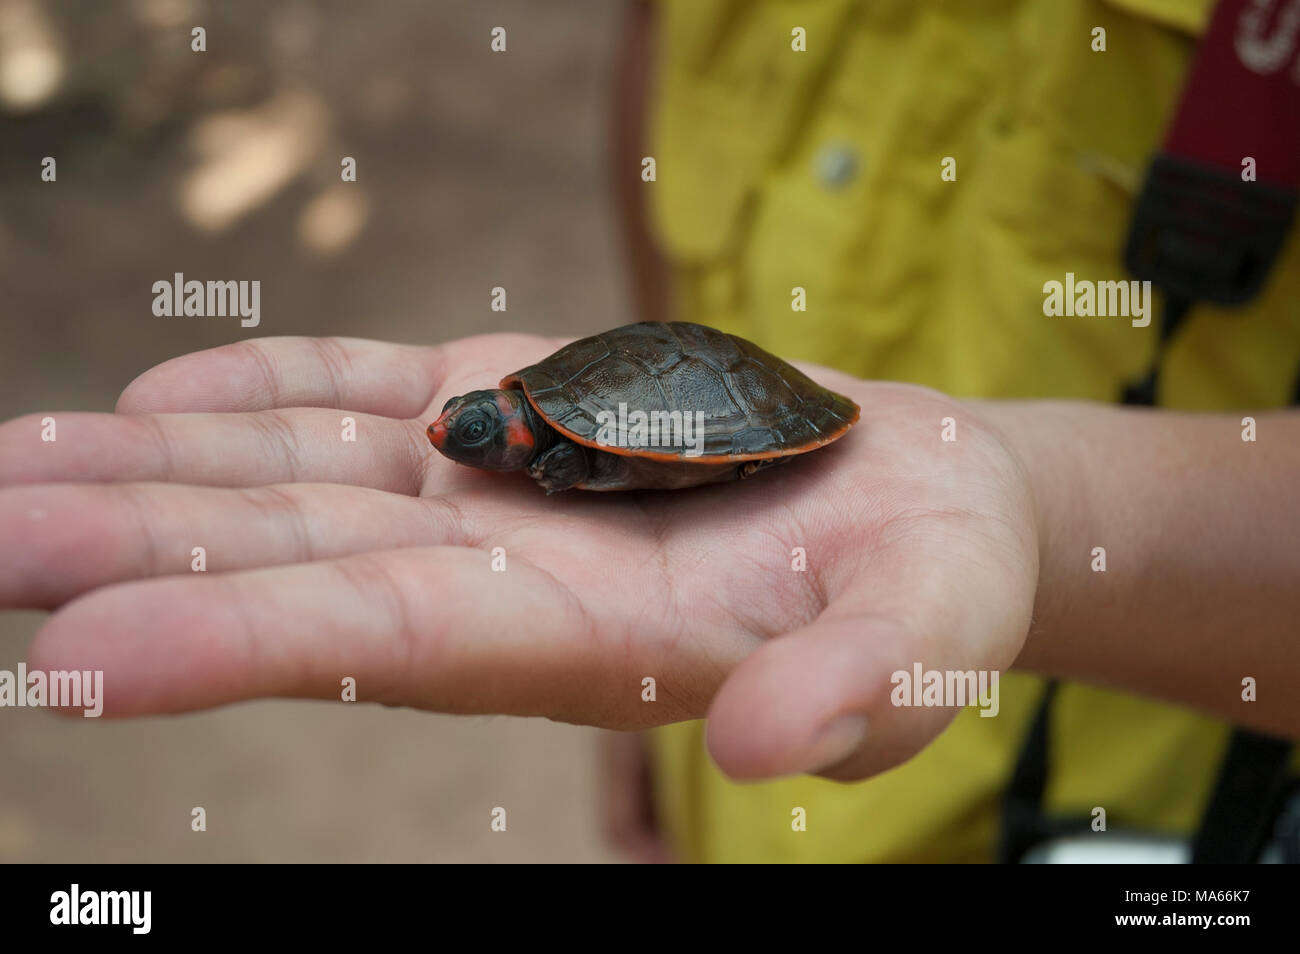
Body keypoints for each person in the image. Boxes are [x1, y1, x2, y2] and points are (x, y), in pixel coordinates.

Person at [1, 0, 1297, 863]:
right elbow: (662, 64)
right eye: (484, 433)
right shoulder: (555, 419)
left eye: (484, 432)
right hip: (718, 754)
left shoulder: (565, 451)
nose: (478, 441)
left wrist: (1044, 503)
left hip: (1112, 803)